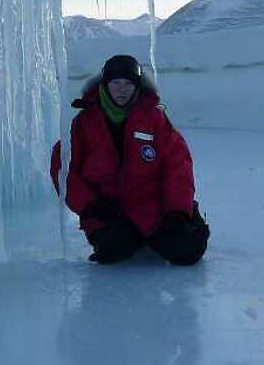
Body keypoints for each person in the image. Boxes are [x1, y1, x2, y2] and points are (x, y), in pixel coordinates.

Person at [50, 54, 209, 265]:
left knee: (187, 249)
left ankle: (182, 219)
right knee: (112, 250)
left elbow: (177, 164)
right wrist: (90, 205)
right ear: (105, 84)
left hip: (154, 207)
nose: (121, 89)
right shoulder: (84, 123)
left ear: (137, 86)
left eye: (128, 83)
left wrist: (177, 210)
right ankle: (133, 238)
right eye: (115, 83)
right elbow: (63, 167)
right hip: (110, 210)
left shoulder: (154, 119)